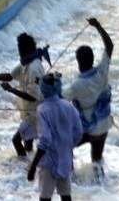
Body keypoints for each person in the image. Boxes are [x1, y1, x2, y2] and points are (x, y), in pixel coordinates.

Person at [0, 33, 50, 157]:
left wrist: (11, 90)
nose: (18, 51)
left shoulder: (33, 68)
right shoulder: (26, 62)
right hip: (28, 111)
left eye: (19, 48)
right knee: (28, 143)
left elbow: (33, 96)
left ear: (24, 49)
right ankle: (29, 161)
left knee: (16, 141)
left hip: (35, 114)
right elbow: (10, 76)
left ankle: (24, 168)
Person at [64, 17, 114, 182]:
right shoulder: (101, 72)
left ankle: (72, 182)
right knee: (97, 159)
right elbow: (110, 46)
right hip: (105, 125)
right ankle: (101, 187)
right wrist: (98, 26)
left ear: (78, 62)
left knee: (66, 147)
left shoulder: (77, 85)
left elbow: (58, 98)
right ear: (92, 59)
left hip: (89, 129)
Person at [27, 73, 83, 201]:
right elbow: (79, 131)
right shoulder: (69, 106)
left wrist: (33, 166)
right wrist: (68, 146)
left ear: (43, 89)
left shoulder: (42, 109)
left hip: (49, 163)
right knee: (66, 196)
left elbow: (45, 139)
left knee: (45, 197)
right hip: (65, 159)